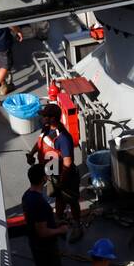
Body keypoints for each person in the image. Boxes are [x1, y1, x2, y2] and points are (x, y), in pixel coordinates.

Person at [30, 102, 83, 243]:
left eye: (45, 116)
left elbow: (68, 162)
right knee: (59, 197)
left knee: (72, 200)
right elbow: (40, 142)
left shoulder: (63, 138)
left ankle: (77, 224)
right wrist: (32, 153)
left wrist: (62, 180)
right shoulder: (46, 129)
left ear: (53, 118)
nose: (42, 118)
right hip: (53, 172)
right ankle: (58, 220)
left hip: (66, 176)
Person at [23, 163, 68, 266]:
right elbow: (42, 232)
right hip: (46, 249)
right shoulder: (39, 203)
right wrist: (61, 230)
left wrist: (55, 222)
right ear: (43, 179)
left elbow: (35, 221)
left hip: (35, 245)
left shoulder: (27, 196)